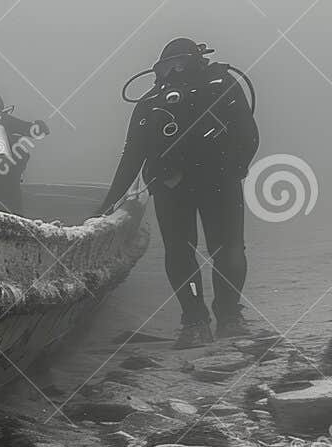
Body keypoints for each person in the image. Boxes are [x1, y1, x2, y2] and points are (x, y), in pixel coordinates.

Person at [95, 38, 259, 347]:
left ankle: (195, 323)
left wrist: (106, 205)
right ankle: (229, 318)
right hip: (220, 184)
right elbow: (249, 134)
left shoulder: (151, 101)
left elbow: (132, 159)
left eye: (174, 67)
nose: (174, 74)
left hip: (174, 188)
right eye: (169, 69)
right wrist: (237, 168)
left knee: (181, 252)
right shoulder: (222, 84)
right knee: (228, 249)